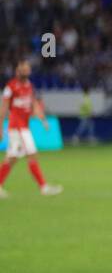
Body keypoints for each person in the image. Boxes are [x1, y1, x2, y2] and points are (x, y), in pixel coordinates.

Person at [0, 60, 62, 198]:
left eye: (28, 69)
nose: (26, 71)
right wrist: (0, 126)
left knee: (12, 158)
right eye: (24, 69)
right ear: (18, 71)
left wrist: (43, 120)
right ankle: (43, 187)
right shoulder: (10, 87)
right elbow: (4, 107)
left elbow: (34, 105)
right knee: (31, 154)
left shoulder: (29, 86)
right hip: (17, 128)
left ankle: (43, 187)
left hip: (23, 127)